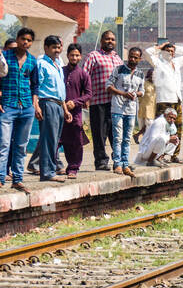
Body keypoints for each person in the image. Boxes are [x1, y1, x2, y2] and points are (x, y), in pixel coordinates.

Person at [0, 27, 39, 192]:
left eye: (29, 40)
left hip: (26, 108)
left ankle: (17, 179)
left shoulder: (32, 61)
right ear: (17, 39)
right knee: (4, 144)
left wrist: (34, 104)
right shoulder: (5, 57)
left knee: (21, 146)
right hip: (7, 106)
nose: (26, 42)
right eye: (23, 39)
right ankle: (1, 178)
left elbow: (35, 85)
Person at [82, 30, 123, 172]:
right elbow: (84, 76)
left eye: (112, 39)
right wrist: (84, 96)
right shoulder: (94, 56)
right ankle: (100, 161)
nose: (110, 41)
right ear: (101, 41)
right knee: (99, 133)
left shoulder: (118, 59)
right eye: (107, 39)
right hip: (98, 101)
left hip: (115, 103)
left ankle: (119, 160)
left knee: (116, 133)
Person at [143, 41, 183, 159]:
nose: (170, 53)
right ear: (162, 53)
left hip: (177, 99)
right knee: (162, 130)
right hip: (163, 100)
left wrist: (175, 47)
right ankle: (158, 155)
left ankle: (174, 154)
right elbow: (147, 52)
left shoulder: (176, 62)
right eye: (167, 51)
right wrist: (160, 47)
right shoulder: (158, 62)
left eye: (172, 52)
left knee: (177, 128)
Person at [34, 34, 69, 183]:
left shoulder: (57, 64)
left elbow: (60, 89)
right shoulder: (41, 63)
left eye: (59, 47)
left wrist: (65, 109)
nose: (57, 50)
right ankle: (47, 172)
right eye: (54, 47)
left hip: (58, 104)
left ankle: (50, 169)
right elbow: (36, 86)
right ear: (46, 48)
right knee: (48, 139)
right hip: (47, 103)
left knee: (54, 139)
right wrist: (36, 106)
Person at [108, 46, 146, 176]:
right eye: (130, 56)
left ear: (139, 59)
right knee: (117, 137)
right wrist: (122, 94)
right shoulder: (118, 69)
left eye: (135, 57)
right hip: (117, 108)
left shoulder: (140, 74)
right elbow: (109, 86)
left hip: (131, 110)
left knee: (127, 138)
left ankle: (125, 164)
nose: (132, 59)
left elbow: (142, 91)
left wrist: (137, 94)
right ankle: (117, 164)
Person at [62, 43, 90, 178]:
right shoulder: (60, 71)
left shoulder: (83, 74)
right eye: (72, 55)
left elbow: (88, 94)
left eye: (77, 55)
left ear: (80, 57)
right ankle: (60, 166)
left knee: (76, 141)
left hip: (76, 112)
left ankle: (74, 167)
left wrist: (75, 102)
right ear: (67, 55)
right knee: (63, 140)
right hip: (60, 110)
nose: (74, 57)